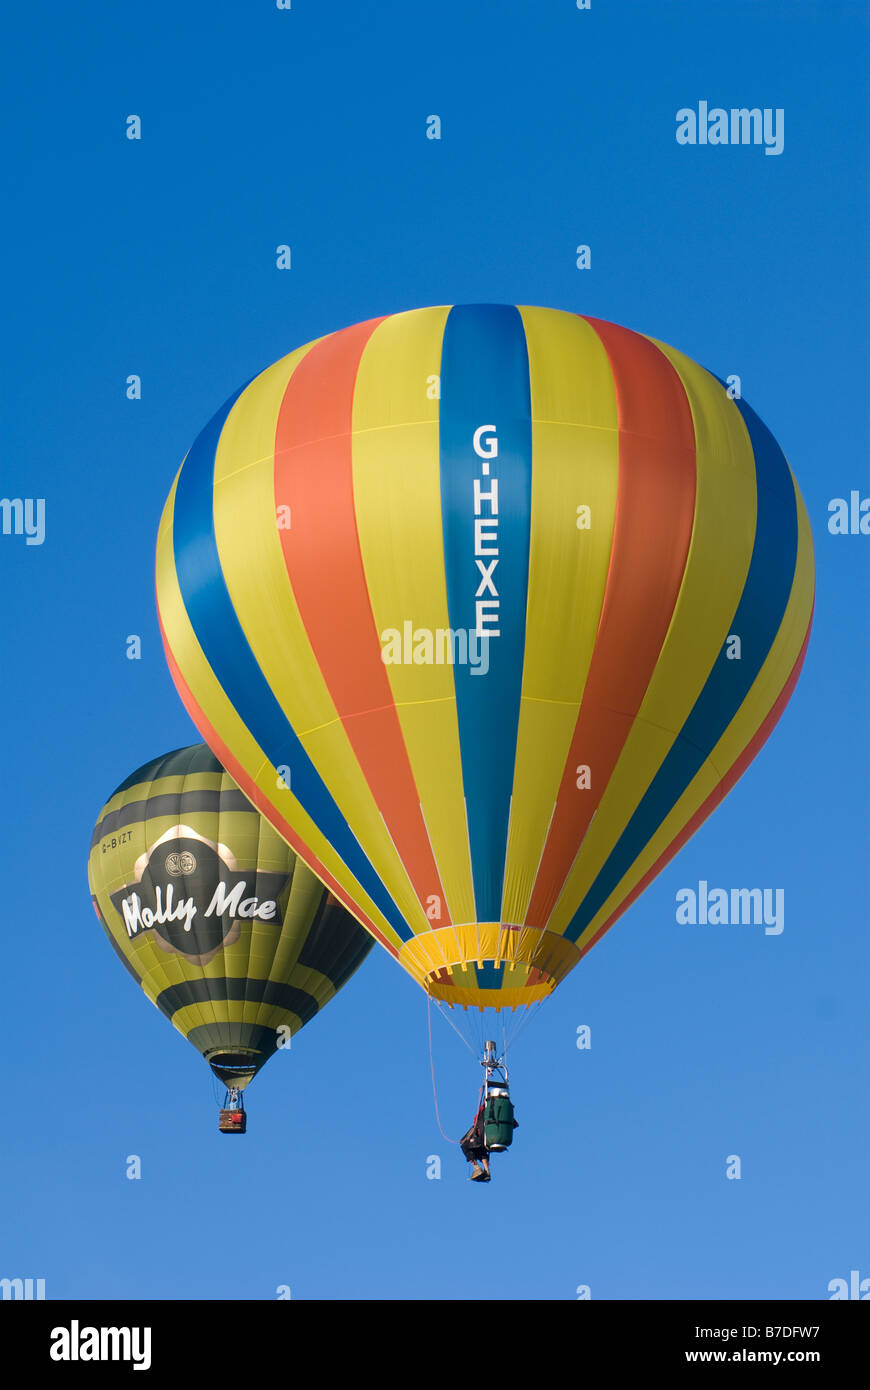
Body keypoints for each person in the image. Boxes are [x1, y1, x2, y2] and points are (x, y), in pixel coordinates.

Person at [459, 1100, 491, 1182]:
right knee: (481, 1150)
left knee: (464, 1146)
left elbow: (476, 1125)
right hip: (490, 1139)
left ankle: (476, 1168)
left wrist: (464, 1138)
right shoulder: (504, 1109)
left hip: (482, 1137)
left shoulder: (483, 1111)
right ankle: (487, 1171)